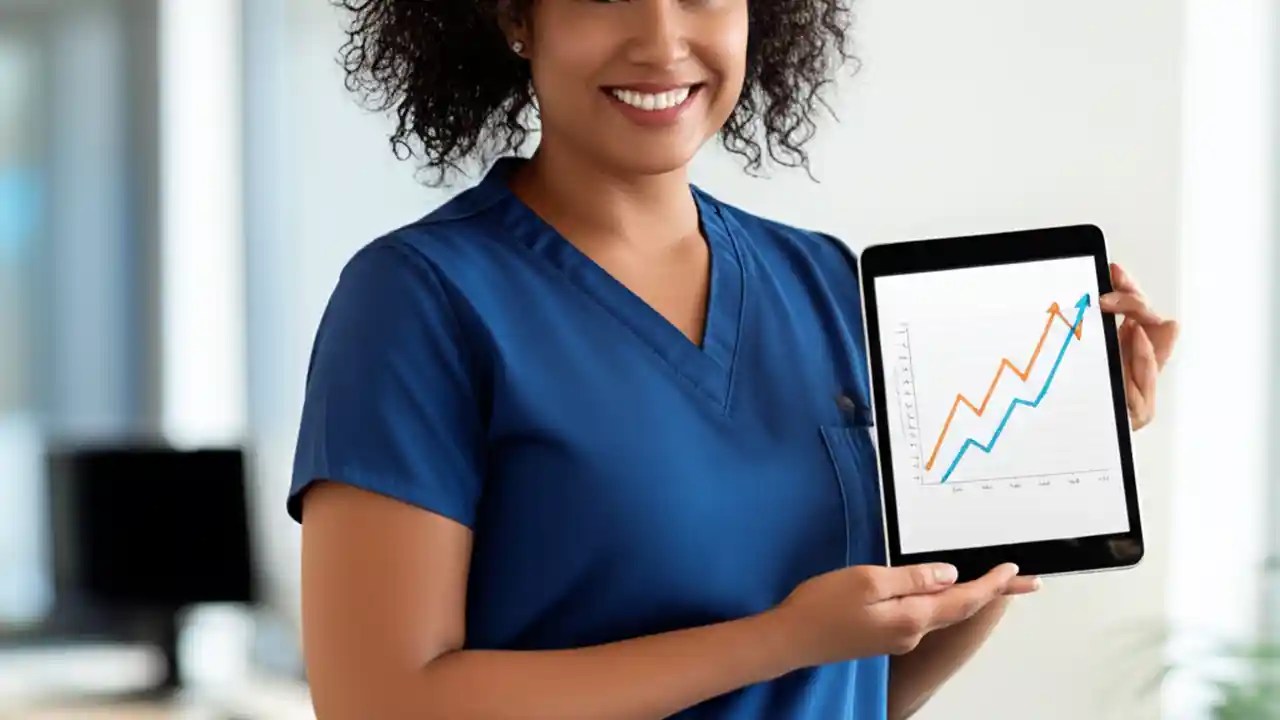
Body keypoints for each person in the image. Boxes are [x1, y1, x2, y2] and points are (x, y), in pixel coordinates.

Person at [287, 1, 1181, 718]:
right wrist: (779, 639)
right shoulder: (418, 300)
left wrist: (1045, 460)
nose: (661, 38)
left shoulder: (822, 280)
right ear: (518, 17)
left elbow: (864, 690)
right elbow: (379, 703)